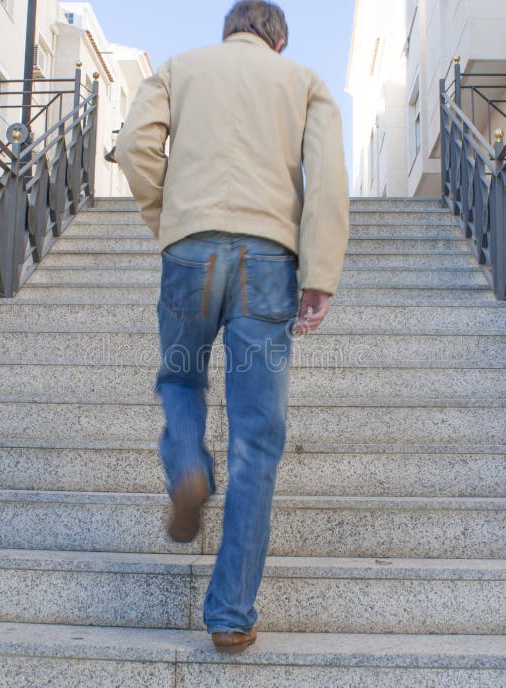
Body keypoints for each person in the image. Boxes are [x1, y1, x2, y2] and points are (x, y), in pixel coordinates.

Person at [115, 0, 349, 654]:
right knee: (256, 440)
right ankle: (230, 613)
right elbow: (327, 179)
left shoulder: (179, 67)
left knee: (181, 379)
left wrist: (170, 218)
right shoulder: (303, 81)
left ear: (230, 33)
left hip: (189, 252)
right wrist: (320, 273)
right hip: (268, 262)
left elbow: (133, 147)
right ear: (279, 42)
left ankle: (188, 464)